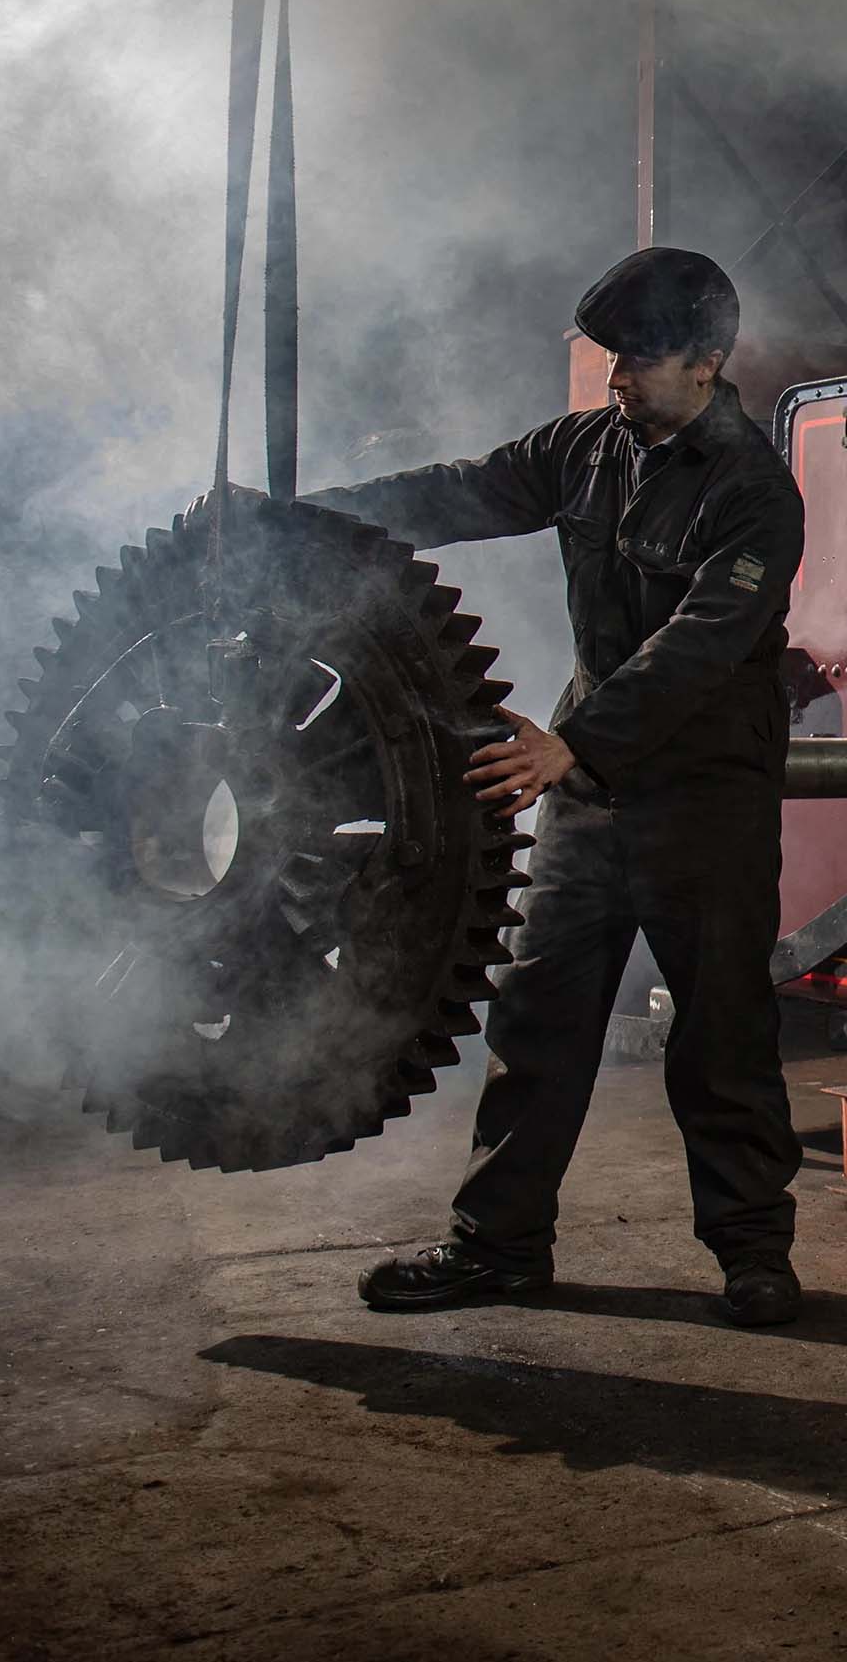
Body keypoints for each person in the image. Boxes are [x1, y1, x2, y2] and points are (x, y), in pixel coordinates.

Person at [317, 247, 810, 1328]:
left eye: (639, 360)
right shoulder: (587, 451)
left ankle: (752, 1254)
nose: (618, 380)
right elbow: (458, 492)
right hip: (588, 794)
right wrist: (307, 520)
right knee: (537, 1020)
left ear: (709, 362)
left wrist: (572, 742)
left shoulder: (756, 492)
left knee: (722, 1033)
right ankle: (498, 1246)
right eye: (611, 360)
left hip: (705, 794)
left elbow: (702, 643)